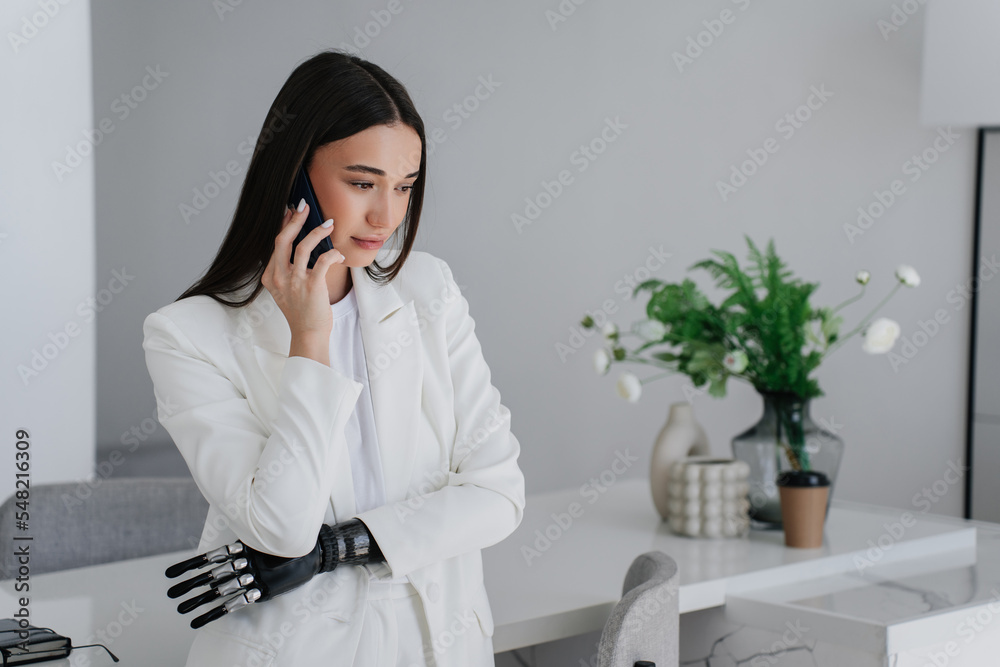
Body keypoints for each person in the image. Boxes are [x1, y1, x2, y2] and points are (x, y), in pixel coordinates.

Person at [141, 49, 525, 666]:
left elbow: (499, 493)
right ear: (295, 176)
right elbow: (281, 528)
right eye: (362, 183)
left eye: (404, 187)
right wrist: (310, 340)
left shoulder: (430, 293)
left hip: (439, 647)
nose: (387, 215)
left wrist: (340, 547)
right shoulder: (188, 336)